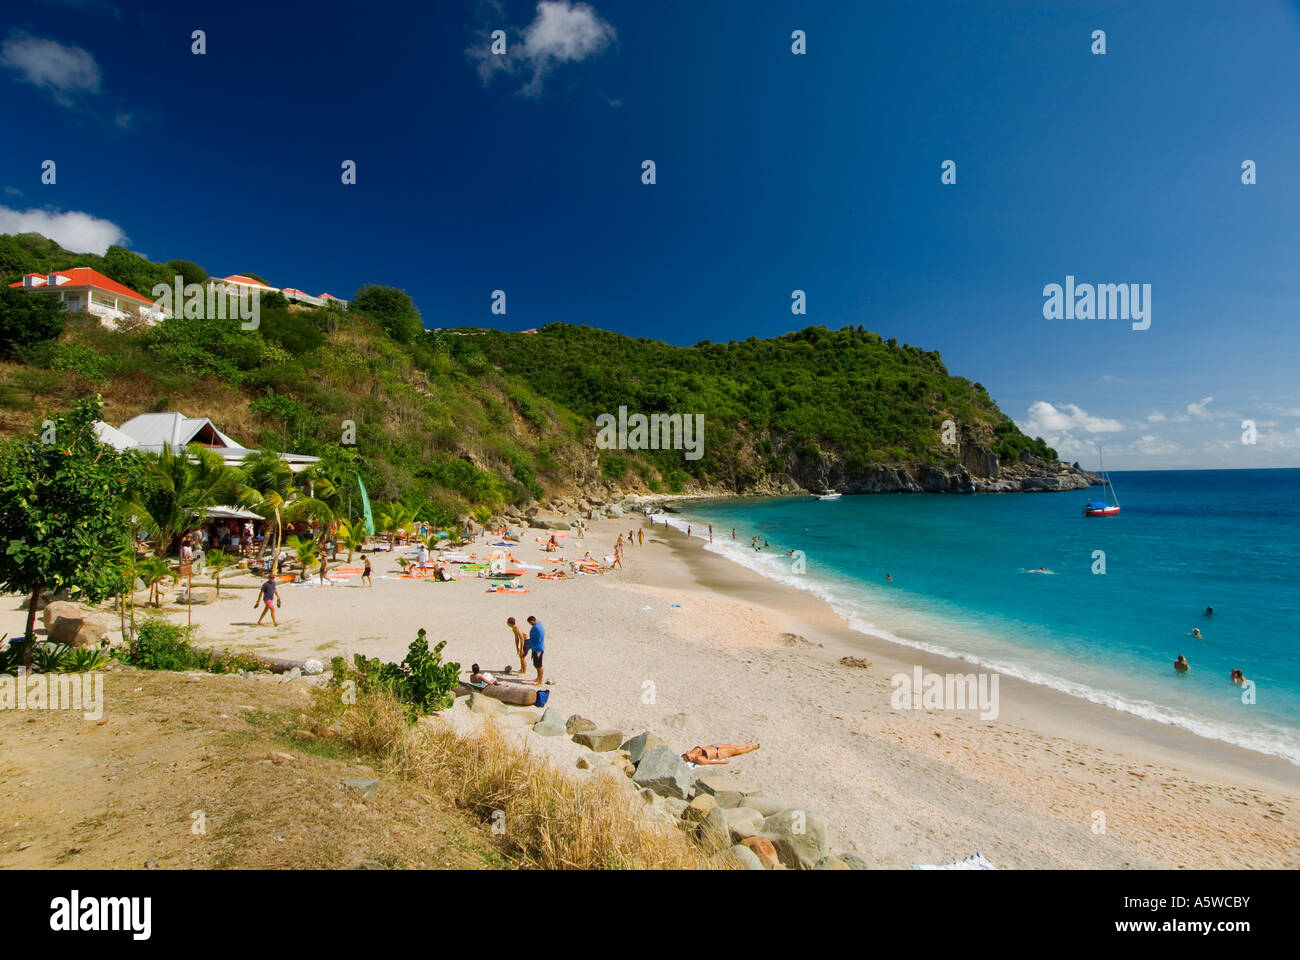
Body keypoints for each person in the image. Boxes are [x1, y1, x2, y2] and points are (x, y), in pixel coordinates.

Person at [681, 742, 760, 765]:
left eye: (688, 757)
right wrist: (724, 762)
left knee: (733, 746)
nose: (690, 759)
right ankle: (752, 747)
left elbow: (696, 750)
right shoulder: (699, 759)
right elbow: (711, 762)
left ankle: (746, 745)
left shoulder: (692, 751)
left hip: (715, 746)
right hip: (719, 753)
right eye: (689, 760)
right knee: (737, 750)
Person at [525, 615, 546, 685]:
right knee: (536, 665)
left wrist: (533, 646)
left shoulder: (537, 627)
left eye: (530, 623)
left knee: (539, 665)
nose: (530, 625)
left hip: (538, 649)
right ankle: (538, 678)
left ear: (533, 621)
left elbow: (539, 639)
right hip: (536, 648)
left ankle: (540, 681)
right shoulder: (538, 625)